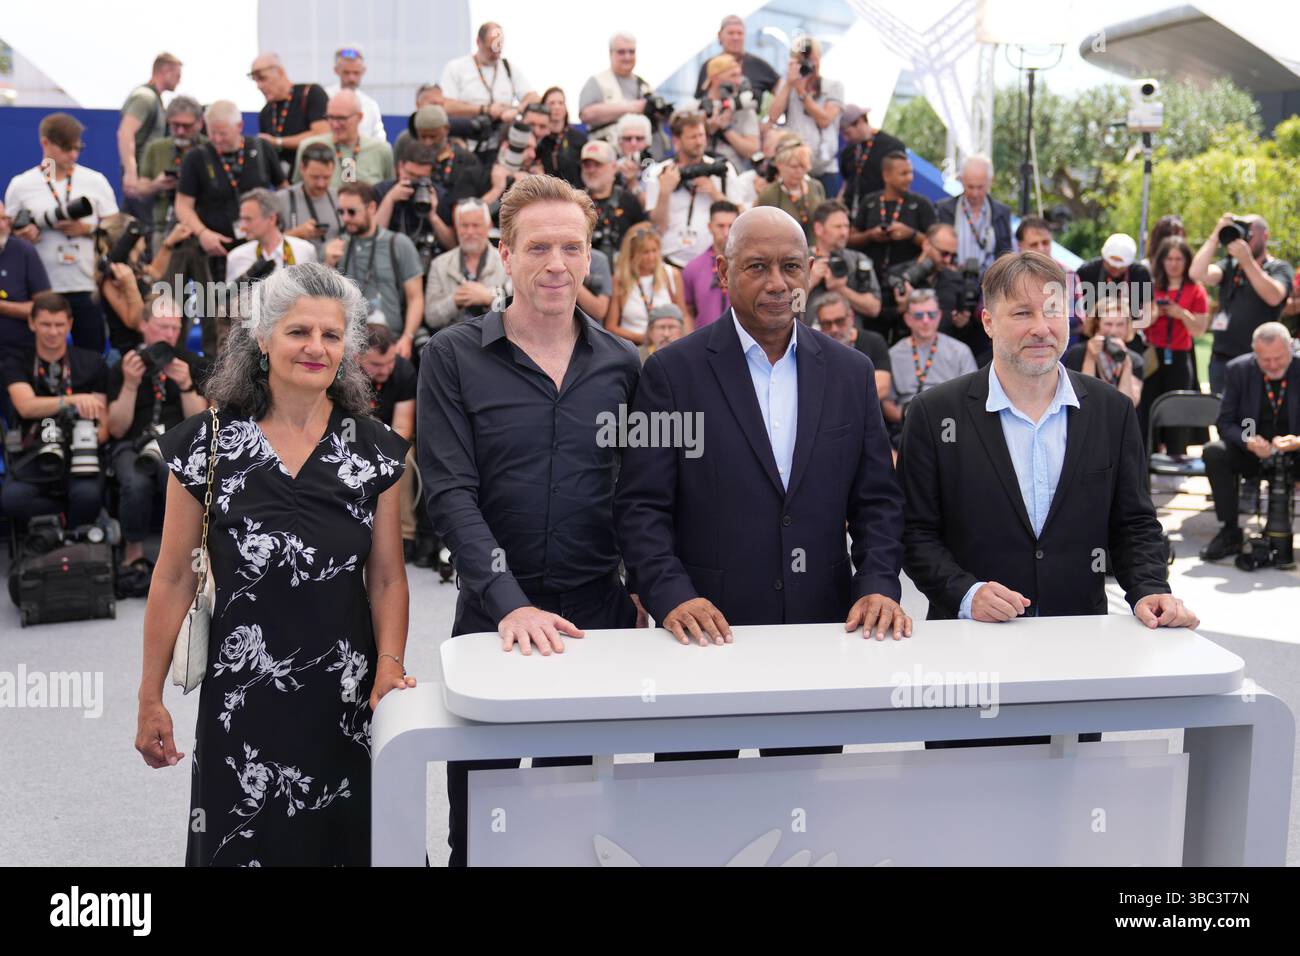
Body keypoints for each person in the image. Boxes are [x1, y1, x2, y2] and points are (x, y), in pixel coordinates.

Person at [134, 262, 415, 866]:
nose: (316, 347)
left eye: (332, 336)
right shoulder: (203, 446)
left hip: (347, 694)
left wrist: (389, 666)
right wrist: (149, 696)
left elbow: (388, 576)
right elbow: (174, 575)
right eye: (298, 332)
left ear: (347, 350)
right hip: (242, 697)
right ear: (262, 340)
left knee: (350, 841)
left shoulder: (375, 450)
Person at [417, 174, 642, 867]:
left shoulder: (624, 365)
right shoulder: (451, 358)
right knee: (481, 826)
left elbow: (640, 492)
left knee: (579, 822)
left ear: (589, 256)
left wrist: (645, 588)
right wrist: (511, 605)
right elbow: (451, 494)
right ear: (505, 255)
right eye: (538, 246)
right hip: (493, 623)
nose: (556, 264)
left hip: (596, 622)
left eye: (572, 247)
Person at [614, 204, 908, 651]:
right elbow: (640, 506)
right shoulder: (670, 373)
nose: (777, 283)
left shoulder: (852, 373)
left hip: (830, 629)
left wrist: (878, 584)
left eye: (791, 267)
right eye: (758, 266)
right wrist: (671, 596)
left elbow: (877, 503)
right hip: (706, 636)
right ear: (723, 272)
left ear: (809, 272)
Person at [897, 251, 1196, 630]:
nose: (1042, 327)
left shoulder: (1112, 411)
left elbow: (1134, 523)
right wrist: (965, 593)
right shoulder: (934, 412)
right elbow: (914, 531)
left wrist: (1150, 588)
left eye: (1053, 310)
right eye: (1022, 313)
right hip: (970, 638)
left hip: (1078, 636)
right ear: (988, 322)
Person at [105, 293, 209, 589]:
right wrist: (129, 384)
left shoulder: (190, 363)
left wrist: (187, 386)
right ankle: (132, 553)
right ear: (144, 326)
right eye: (164, 327)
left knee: (172, 476)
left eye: (176, 328)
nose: (171, 334)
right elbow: (115, 428)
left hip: (178, 443)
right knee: (135, 481)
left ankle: (178, 555)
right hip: (133, 442)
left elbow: (199, 424)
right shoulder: (123, 366)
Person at [5, 113, 119, 353]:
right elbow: (7, 236)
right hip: (41, 288)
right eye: (66, 149)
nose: (73, 155)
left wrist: (87, 229)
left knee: (91, 356)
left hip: (86, 285)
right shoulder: (22, 184)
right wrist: (23, 235)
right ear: (45, 143)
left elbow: (119, 229)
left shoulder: (94, 181)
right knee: (37, 358)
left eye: (77, 148)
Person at [1, 292, 107, 530]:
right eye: (45, 324)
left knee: (88, 496)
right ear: (31, 323)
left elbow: (104, 428)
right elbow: (26, 407)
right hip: (33, 452)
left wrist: (90, 430)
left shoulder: (91, 362)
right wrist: (74, 401)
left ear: (70, 324)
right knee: (12, 500)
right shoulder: (17, 360)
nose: (53, 332)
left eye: (59, 324)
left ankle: (72, 542)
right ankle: (52, 535)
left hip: (80, 456)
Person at [1198, 323, 1300, 561]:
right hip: (1253, 452)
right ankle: (1230, 530)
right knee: (1214, 452)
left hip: (1295, 453)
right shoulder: (1238, 369)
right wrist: (1249, 442)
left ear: (1290, 349)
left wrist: (1298, 441)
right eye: (1265, 360)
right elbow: (1225, 422)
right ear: (1255, 353)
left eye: (1279, 358)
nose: (1273, 366)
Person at [174, 100, 286, 281]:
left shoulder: (262, 149)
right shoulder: (195, 158)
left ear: (239, 126)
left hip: (258, 246)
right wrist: (203, 233)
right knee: (219, 305)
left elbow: (283, 191)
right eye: (212, 133)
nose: (217, 139)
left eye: (222, 133)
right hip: (215, 251)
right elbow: (182, 205)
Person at [1190, 212, 1293, 396]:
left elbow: (1274, 296)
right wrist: (1216, 234)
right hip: (1222, 361)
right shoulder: (1229, 266)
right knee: (1224, 421)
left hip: (1259, 362)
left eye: (1250, 234)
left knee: (1252, 422)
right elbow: (1197, 273)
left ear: (1265, 236)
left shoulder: (1278, 268)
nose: (1245, 239)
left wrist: (1247, 261)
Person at [359, 323, 432, 566]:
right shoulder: (344, 374)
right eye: (377, 365)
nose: (385, 370)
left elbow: (402, 428)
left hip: (387, 437)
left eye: (389, 362)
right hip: (350, 438)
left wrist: (380, 453)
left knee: (403, 463)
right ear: (357, 357)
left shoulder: (402, 371)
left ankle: (405, 535)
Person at [324, 183, 424, 358]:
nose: (345, 218)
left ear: (371, 207)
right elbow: (323, 299)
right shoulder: (337, 246)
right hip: (349, 345)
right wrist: (327, 264)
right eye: (341, 212)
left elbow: (415, 297)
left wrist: (408, 338)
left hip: (391, 343)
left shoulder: (398, 243)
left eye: (352, 212)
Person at [849, 151, 935, 341]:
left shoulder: (921, 204)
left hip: (906, 286)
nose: (910, 178)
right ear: (886, 175)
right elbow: (850, 238)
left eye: (910, 172)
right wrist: (870, 235)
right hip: (872, 286)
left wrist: (910, 234)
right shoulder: (870, 202)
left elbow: (935, 246)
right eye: (903, 173)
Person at [643, 110, 745, 269]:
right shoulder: (659, 173)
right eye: (692, 137)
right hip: (670, 262)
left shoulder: (723, 170)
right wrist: (664, 192)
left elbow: (740, 216)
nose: (699, 142)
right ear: (676, 141)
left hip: (712, 262)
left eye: (701, 135)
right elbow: (656, 228)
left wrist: (714, 193)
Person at [1141, 235, 1210, 453]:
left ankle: (1176, 457)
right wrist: (1154, 314)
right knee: (1148, 407)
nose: (1173, 264)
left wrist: (1181, 314)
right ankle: (1148, 460)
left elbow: (1199, 329)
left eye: (1179, 259)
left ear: (1186, 261)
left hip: (1180, 355)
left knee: (1178, 410)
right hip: (1152, 354)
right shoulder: (1150, 286)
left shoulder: (1196, 290)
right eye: (1169, 259)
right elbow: (1135, 323)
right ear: (1161, 261)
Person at [438, 22, 539, 161]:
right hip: (466, 143)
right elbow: (446, 106)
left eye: (499, 48)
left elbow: (534, 97)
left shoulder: (507, 68)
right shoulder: (456, 68)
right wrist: (486, 110)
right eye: (490, 48)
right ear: (478, 42)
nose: (495, 54)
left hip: (498, 146)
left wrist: (517, 110)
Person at [94, 212, 191, 355]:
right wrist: (130, 285)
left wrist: (168, 244)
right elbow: (136, 322)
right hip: (126, 354)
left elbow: (154, 272)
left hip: (148, 348)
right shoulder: (112, 278)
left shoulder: (134, 266)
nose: (144, 237)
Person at [767, 37, 844, 196]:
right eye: (803, 60)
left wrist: (802, 93)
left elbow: (825, 120)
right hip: (795, 166)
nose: (809, 65)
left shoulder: (834, 87)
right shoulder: (788, 85)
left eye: (812, 59)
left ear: (819, 59)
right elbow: (773, 116)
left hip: (826, 166)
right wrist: (790, 84)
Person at [422, 198, 509, 336]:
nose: (470, 232)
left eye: (476, 225)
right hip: (452, 345)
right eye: (464, 225)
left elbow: (520, 307)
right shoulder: (439, 265)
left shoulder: (506, 261)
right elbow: (431, 318)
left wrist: (489, 298)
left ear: (488, 226)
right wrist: (455, 300)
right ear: (456, 228)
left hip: (497, 342)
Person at [812, 291, 899, 429]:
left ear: (851, 317)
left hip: (868, 424)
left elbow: (882, 387)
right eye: (827, 324)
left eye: (840, 321)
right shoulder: (813, 349)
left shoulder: (873, 341)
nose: (834, 329)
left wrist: (834, 398)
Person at [888, 288, 977, 417]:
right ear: (908, 319)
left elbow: (973, 397)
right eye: (918, 316)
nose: (925, 321)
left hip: (950, 422)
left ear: (939, 316)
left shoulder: (960, 351)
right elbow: (887, 402)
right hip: (907, 422)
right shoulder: (894, 354)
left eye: (931, 315)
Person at [118, 53, 183, 228]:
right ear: (166, 71)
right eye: (178, 75)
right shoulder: (144, 98)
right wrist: (131, 174)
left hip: (146, 182)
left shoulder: (155, 100)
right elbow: (125, 132)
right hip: (140, 181)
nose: (180, 81)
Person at [374, 141, 458, 272]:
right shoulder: (382, 191)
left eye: (421, 177)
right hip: (388, 263)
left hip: (430, 267)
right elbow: (373, 237)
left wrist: (433, 216)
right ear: (400, 166)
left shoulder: (440, 195)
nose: (414, 181)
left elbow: (453, 245)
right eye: (411, 175)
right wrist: (389, 200)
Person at [606, 222, 689, 347]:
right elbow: (611, 326)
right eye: (645, 252)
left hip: (667, 346)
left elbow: (683, 315)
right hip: (632, 347)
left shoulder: (672, 274)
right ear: (633, 254)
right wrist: (644, 338)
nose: (651, 257)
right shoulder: (620, 279)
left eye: (654, 251)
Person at [137, 96, 206, 245]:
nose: (180, 131)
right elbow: (140, 191)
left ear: (200, 123)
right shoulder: (155, 148)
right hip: (164, 229)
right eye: (175, 125)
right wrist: (157, 185)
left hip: (201, 228)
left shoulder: (208, 148)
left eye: (187, 126)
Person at [250, 53, 329, 179]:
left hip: (316, 179)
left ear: (280, 72)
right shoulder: (266, 112)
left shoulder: (310, 93)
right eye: (256, 81)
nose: (259, 86)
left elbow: (322, 134)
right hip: (285, 186)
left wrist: (278, 142)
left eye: (263, 78)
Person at [294, 89, 394, 187]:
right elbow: (297, 191)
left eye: (341, 118)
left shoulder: (381, 150)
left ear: (359, 117)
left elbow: (387, 190)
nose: (335, 124)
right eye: (330, 117)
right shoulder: (309, 147)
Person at [805, 199, 880, 329]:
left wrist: (840, 289)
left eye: (846, 226)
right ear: (819, 229)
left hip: (848, 341)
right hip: (810, 338)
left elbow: (874, 308)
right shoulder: (799, 260)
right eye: (838, 227)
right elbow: (789, 307)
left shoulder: (859, 260)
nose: (844, 233)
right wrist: (809, 282)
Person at [935, 154, 1012, 276]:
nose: (975, 193)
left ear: (990, 182)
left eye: (980, 187)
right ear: (961, 180)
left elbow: (1006, 254)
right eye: (970, 187)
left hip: (989, 284)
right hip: (951, 280)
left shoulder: (1002, 213)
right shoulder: (944, 210)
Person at [225, 189, 319, 287]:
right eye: (242, 219)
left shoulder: (305, 250)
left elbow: (313, 293)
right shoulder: (236, 257)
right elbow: (228, 299)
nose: (242, 227)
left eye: (248, 219)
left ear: (271, 219)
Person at [1062, 298, 1146, 407]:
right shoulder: (1077, 353)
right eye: (1108, 324)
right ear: (1097, 325)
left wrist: (1126, 362)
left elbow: (1129, 403)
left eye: (1120, 324)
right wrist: (1090, 357)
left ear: (1127, 327)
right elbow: (1084, 398)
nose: (1113, 331)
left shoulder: (1135, 359)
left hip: (1118, 419)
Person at [578, 33, 656, 148]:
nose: (627, 57)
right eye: (621, 52)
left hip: (641, 153)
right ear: (610, 54)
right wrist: (630, 108)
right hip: (606, 152)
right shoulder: (597, 81)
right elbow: (585, 114)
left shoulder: (644, 85)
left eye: (631, 52)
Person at [1074, 233, 1152, 343]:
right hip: (1090, 337)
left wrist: (1127, 331)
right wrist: (1092, 329)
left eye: (1120, 266)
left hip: (1129, 338)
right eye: (1110, 264)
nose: (1115, 268)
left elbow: (1151, 311)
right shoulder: (1087, 271)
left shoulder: (1139, 273)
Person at [580, 139, 647, 268]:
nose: (591, 170)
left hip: (623, 273)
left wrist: (631, 245)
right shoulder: (575, 201)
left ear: (614, 167)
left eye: (598, 164)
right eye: (587, 165)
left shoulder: (628, 199)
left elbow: (647, 232)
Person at [0, 199, 52, 355]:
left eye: (4, 219)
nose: (2, 226)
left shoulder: (23, 251)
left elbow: (45, 307)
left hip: (17, 352)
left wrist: (2, 307)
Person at [837, 105, 905, 224]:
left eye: (848, 133)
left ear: (860, 122)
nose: (846, 138)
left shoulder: (892, 146)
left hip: (879, 212)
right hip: (851, 213)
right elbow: (846, 182)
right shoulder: (848, 151)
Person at [754, 137, 825, 246]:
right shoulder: (769, 194)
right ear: (779, 165)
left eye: (803, 166)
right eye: (794, 166)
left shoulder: (816, 187)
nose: (799, 171)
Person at [277, 142, 343, 259]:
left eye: (327, 177)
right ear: (302, 168)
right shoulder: (281, 199)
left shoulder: (340, 197)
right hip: (296, 272)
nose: (321, 184)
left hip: (335, 272)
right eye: (315, 177)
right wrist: (295, 234)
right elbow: (264, 244)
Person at [693, 14, 780, 101]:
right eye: (730, 33)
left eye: (740, 33)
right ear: (719, 36)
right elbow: (699, 102)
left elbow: (781, 91)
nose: (736, 37)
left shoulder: (760, 65)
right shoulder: (710, 66)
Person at [699, 54, 760, 174]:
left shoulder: (745, 110)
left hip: (736, 174)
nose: (738, 81)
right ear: (715, 78)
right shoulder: (694, 109)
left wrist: (726, 129)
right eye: (733, 76)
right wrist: (708, 129)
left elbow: (752, 150)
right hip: (703, 172)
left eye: (739, 75)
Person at [681, 200, 737, 328]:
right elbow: (687, 312)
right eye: (720, 226)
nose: (726, 232)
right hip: (704, 342)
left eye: (731, 226)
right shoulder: (693, 268)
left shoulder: (750, 266)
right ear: (710, 227)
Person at [325, 47, 386, 141]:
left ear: (363, 71)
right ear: (336, 70)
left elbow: (380, 140)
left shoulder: (371, 105)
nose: (351, 78)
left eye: (356, 73)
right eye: (346, 72)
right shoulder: (324, 97)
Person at [534, 87, 588, 187]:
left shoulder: (578, 138)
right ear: (543, 107)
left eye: (561, 103)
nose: (557, 107)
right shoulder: (538, 139)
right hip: (546, 194)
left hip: (574, 194)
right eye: (552, 103)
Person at [613, 113, 654, 207]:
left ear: (647, 142)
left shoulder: (656, 170)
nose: (633, 143)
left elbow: (650, 207)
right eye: (628, 138)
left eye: (639, 138)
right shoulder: (611, 168)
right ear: (619, 142)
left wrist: (633, 183)